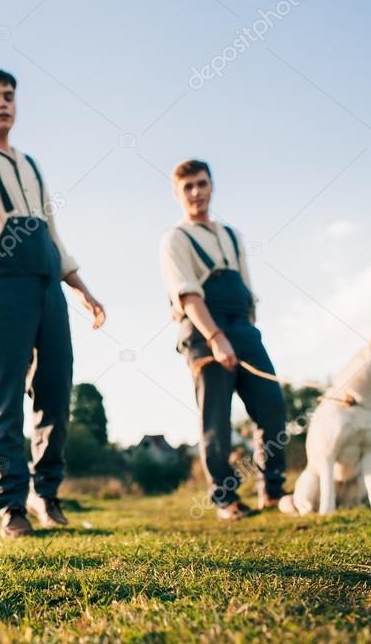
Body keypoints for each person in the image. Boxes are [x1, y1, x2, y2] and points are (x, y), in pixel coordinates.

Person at [0, 68, 106, 538]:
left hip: (46, 284)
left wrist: (82, 289)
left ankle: (46, 494)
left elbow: (52, 230)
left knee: (56, 391)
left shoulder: (31, 165)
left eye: (9, 96)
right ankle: (11, 505)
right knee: (5, 395)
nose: (2, 104)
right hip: (1, 281)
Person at [159, 159, 287, 520]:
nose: (196, 192)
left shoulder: (232, 235)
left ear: (212, 186)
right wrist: (215, 337)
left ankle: (272, 491)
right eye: (188, 187)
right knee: (216, 419)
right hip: (203, 332)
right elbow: (187, 295)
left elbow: (246, 285)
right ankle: (225, 499)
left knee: (272, 405)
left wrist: (246, 328)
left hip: (243, 328)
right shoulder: (175, 239)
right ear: (178, 193)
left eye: (202, 184)